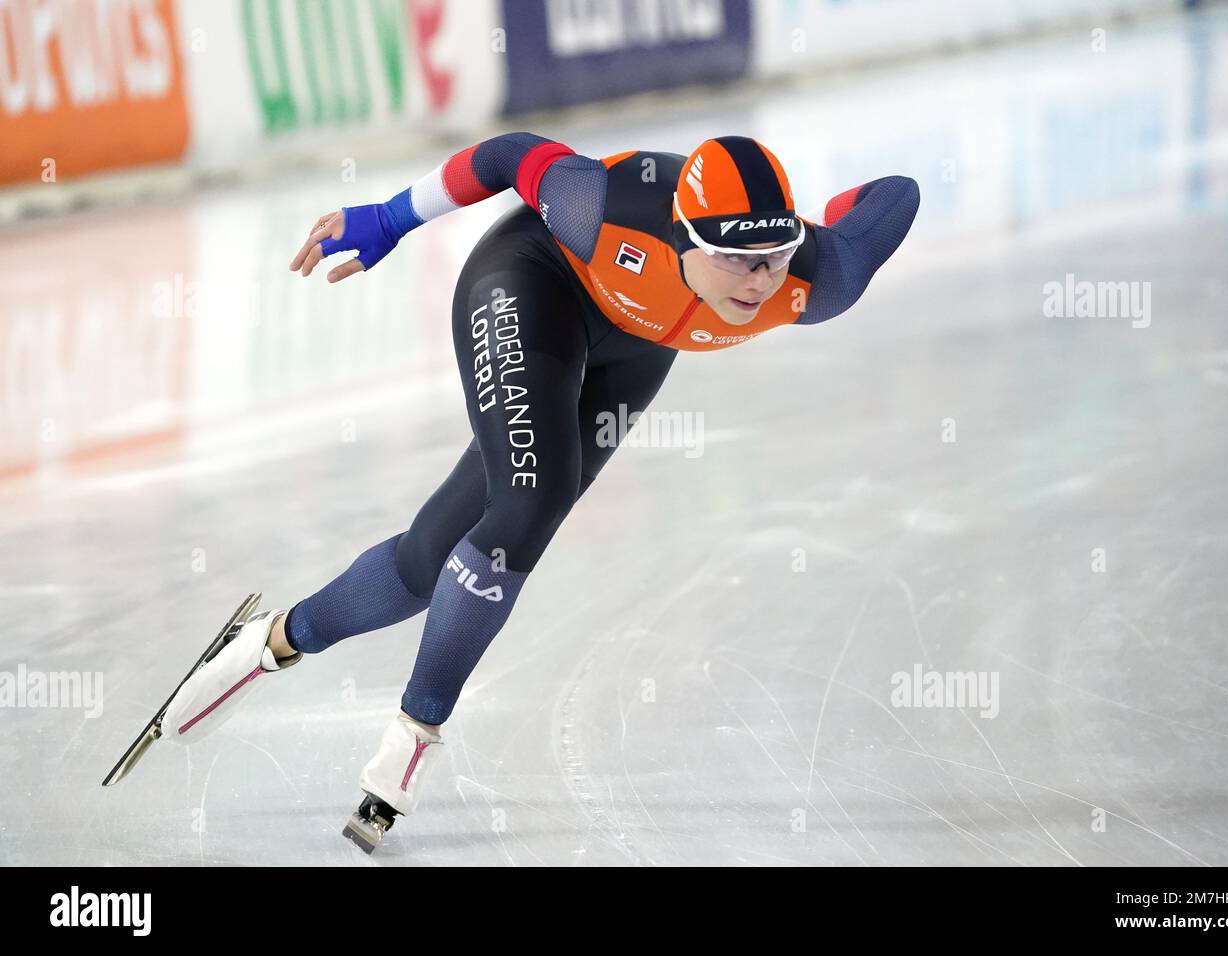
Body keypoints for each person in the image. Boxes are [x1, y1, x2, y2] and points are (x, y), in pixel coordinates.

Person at [158, 133, 921, 850]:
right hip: (532, 283)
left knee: (431, 565)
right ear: (686, 235)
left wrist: (815, 226)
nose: (761, 281)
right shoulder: (599, 208)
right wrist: (390, 216)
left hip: (638, 348)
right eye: (735, 258)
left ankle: (269, 642)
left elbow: (899, 193)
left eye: (775, 254)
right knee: (533, 497)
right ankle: (413, 736)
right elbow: (508, 155)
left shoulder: (820, 279)